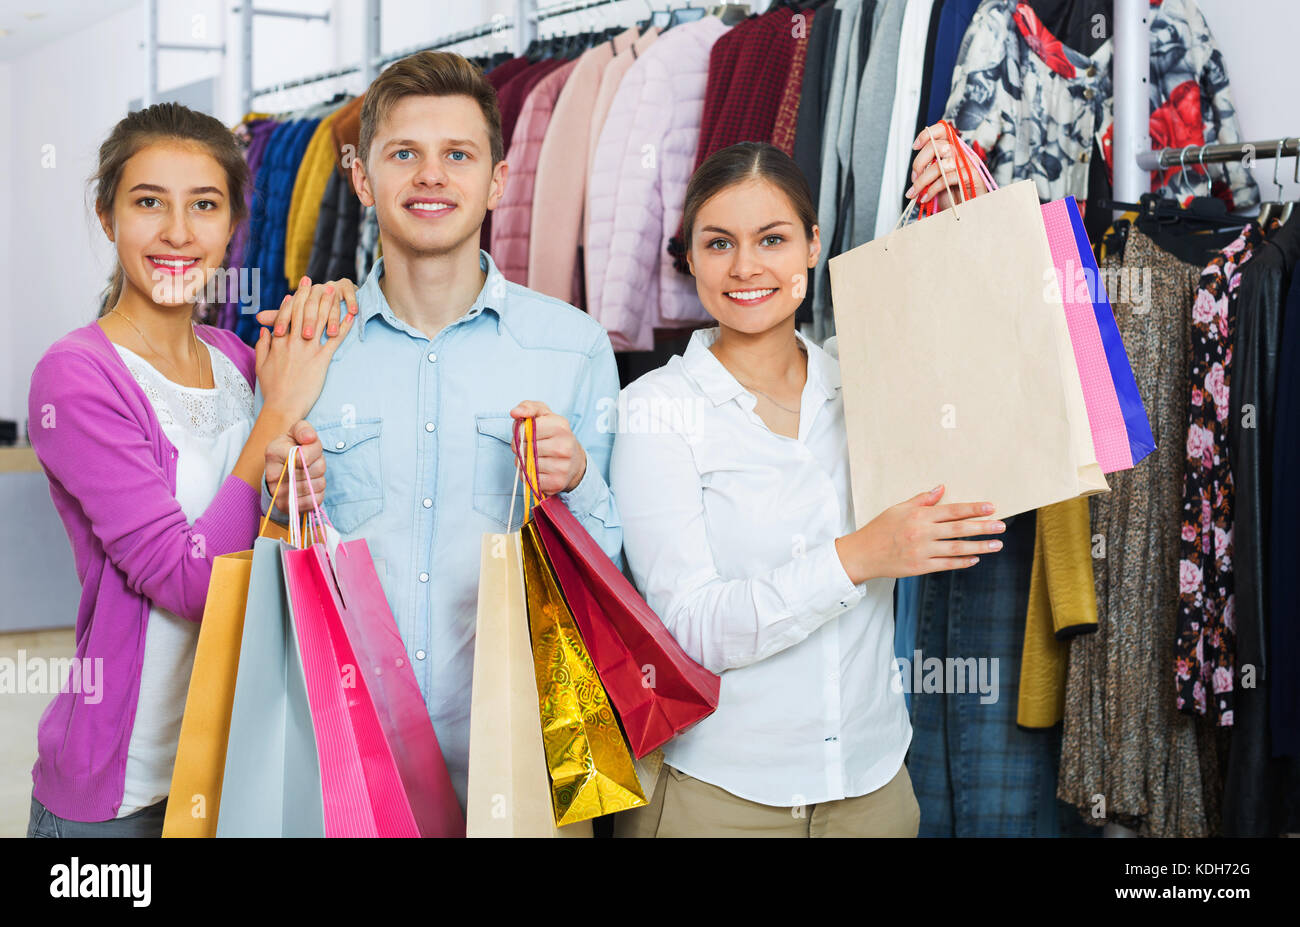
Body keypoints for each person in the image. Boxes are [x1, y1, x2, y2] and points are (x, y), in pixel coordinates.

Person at [256, 51, 622, 811]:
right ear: (361, 178)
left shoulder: (574, 347)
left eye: (458, 155)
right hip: (349, 773)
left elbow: (613, 572)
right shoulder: (308, 348)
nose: (431, 176)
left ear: (497, 180)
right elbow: (269, 572)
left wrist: (578, 482)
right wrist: (282, 504)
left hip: (517, 768)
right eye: (404, 155)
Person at [609, 132, 997, 837]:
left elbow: (991, 341)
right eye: (719, 242)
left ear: (814, 246)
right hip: (720, 798)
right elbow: (694, 626)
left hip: (874, 791)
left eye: (774, 238)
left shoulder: (867, 381)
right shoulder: (655, 411)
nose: (747, 265)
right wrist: (858, 557)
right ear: (690, 256)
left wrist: (964, 206)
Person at [25, 102, 347, 837]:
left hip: (234, 772)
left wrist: (294, 482)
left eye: (203, 205)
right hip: (124, 791)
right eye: (148, 203)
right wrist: (279, 411)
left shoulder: (238, 361)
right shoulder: (77, 376)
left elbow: (265, 546)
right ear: (107, 217)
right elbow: (189, 578)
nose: (177, 232)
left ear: (233, 223)